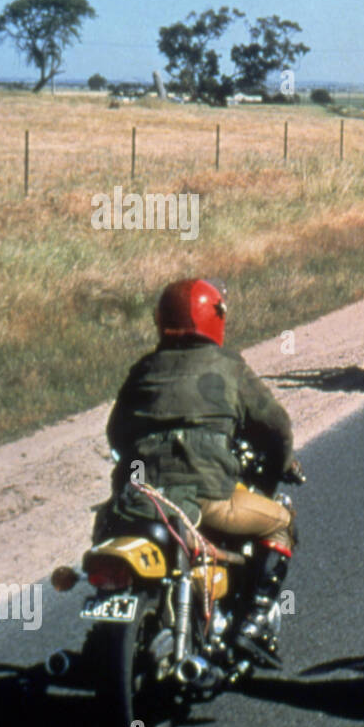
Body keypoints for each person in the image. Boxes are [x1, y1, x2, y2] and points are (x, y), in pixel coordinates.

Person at [103, 278, 301, 666]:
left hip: (135, 501)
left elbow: (117, 432)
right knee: (280, 521)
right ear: (216, 319)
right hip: (206, 498)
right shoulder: (228, 366)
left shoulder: (144, 368)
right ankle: (255, 621)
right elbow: (275, 426)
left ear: (161, 320)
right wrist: (281, 464)